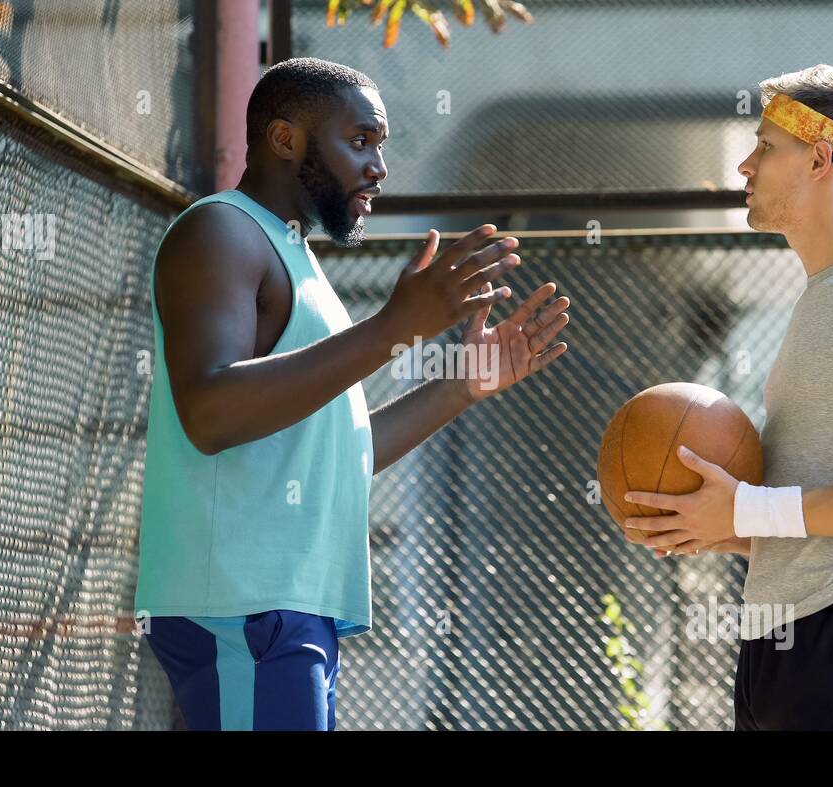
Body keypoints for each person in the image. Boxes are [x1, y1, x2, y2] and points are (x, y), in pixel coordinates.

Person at [135, 58, 571, 730]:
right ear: (285, 140)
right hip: (244, 608)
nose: (379, 167)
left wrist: (461, 386)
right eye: (360, 141)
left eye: (382, 145)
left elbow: (338, 452)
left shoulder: (296, 258)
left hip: (287, 612)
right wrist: (393, 328)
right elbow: (210, 411)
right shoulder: (219, 231)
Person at [619, 64, 833, 730]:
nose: (745, 164)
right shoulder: (824, 297)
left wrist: (751, 506)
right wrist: (721, 524)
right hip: (784, 637)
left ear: (819, 159)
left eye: (765, 146)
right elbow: (812, 515)